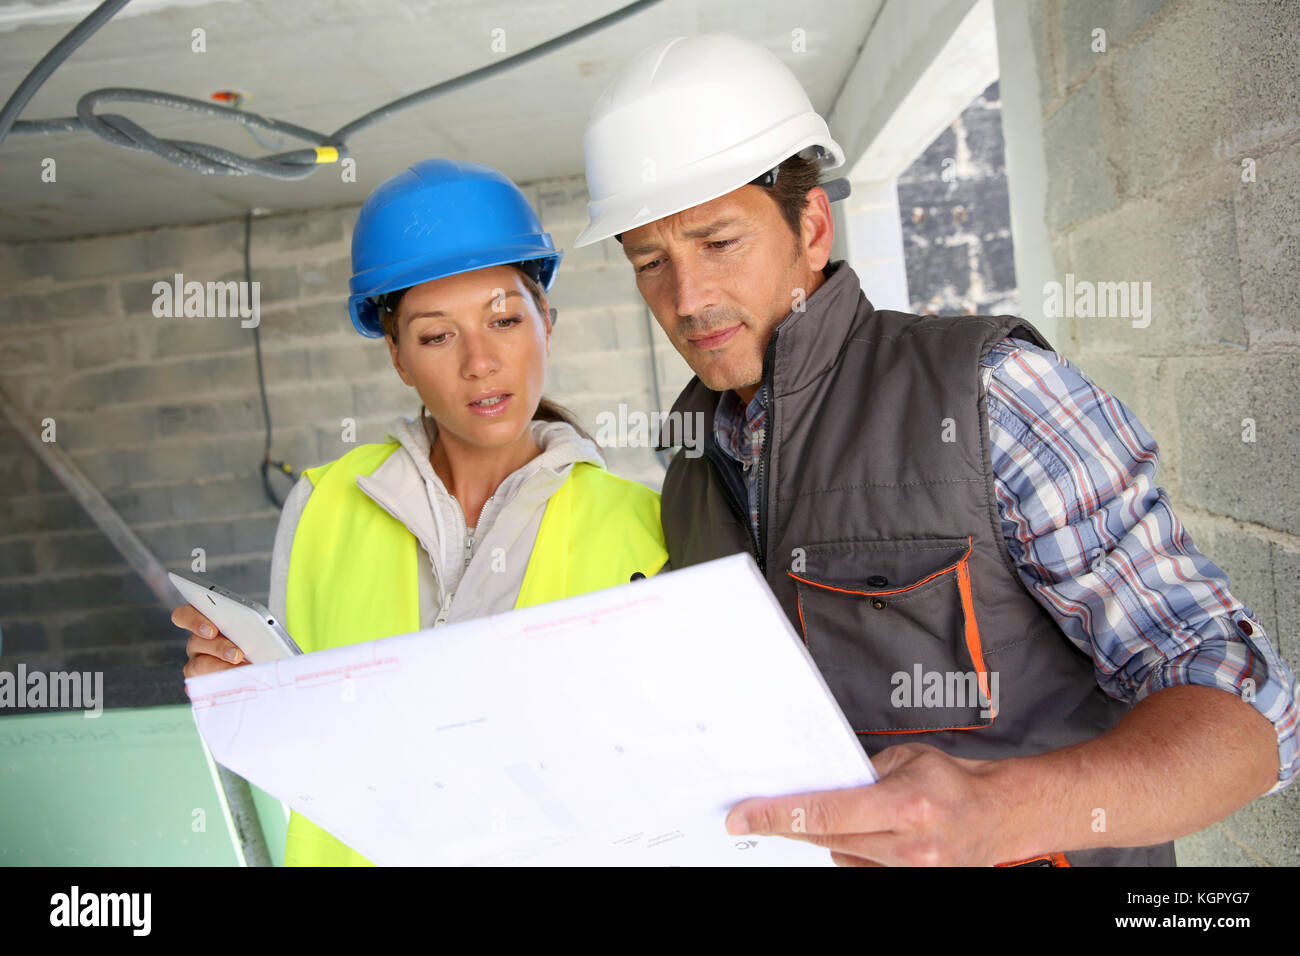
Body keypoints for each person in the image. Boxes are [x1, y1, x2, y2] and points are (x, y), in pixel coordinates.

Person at [571, 33, 1299, 866]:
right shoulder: (692, 468)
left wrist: (998, 812)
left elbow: (1250, 711)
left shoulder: (990, 393)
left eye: (719, 242)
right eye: (650, 261)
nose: (688, 298)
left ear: (810, 226)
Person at [174, 158, 668, 865]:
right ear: (399, 357)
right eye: (437, 335)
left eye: (504, 319)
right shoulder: (325, 505)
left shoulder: (646, 528)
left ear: (547, 324)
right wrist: (238, 698)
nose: (481, 362)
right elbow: (296, 755)